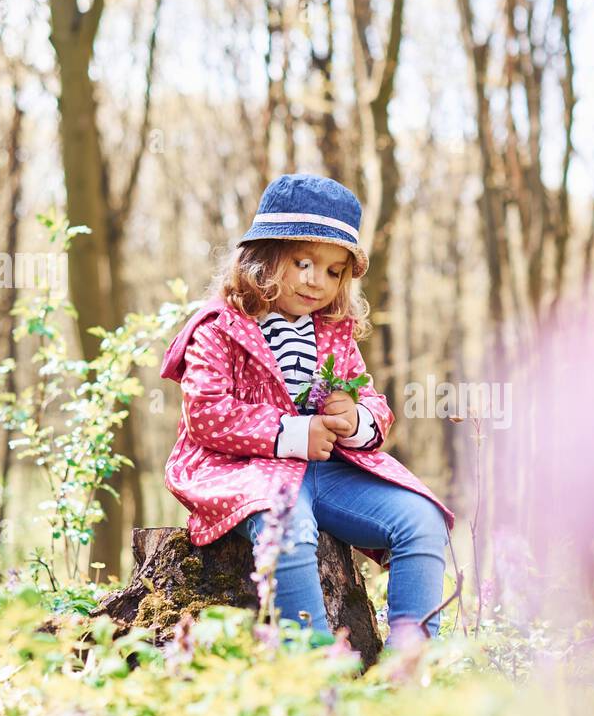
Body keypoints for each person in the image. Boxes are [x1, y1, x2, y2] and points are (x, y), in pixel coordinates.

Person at [159, 173, 456, 649]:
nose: (318, 281)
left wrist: (353, 418)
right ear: (264, 255)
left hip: (324, 472)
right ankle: (316, 675)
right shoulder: (219, 327)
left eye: (334, 271)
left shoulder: (332, 332)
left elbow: (375, 405)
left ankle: (410, 667)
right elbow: (206, 412)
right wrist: (293, 433)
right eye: (303, 262)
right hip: (243, 470)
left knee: (421, 517)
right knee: (288, 526)